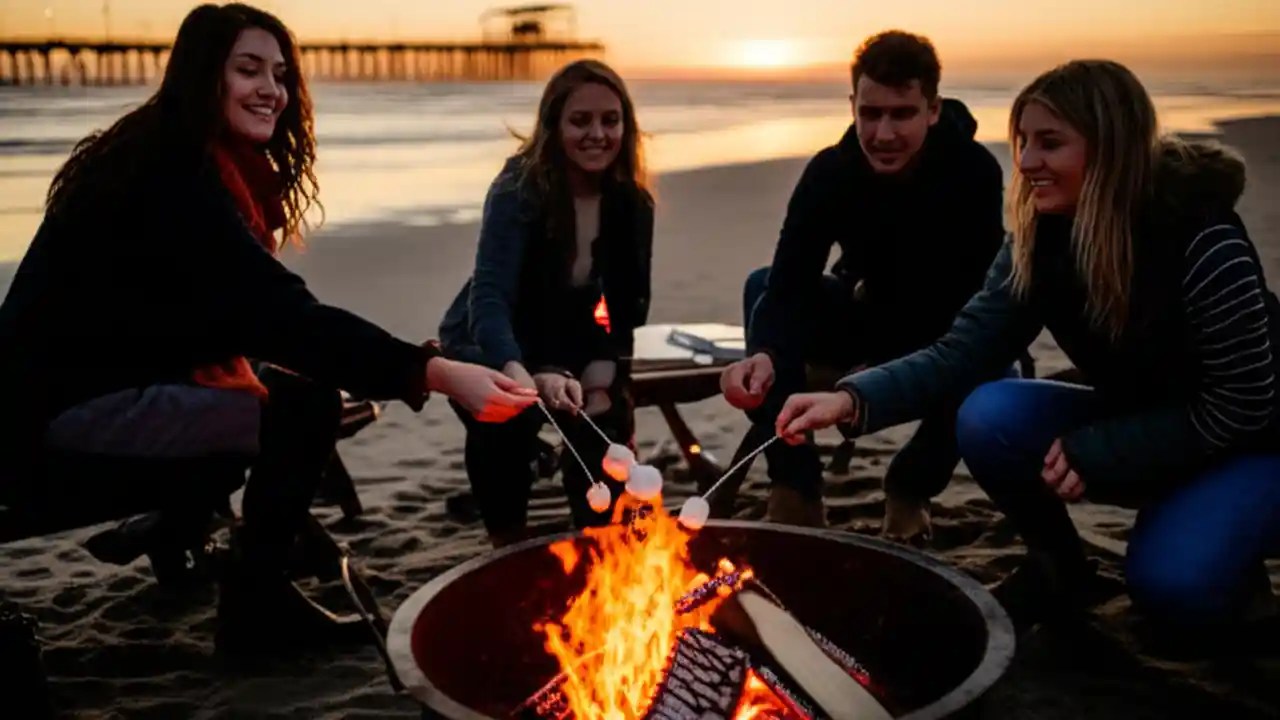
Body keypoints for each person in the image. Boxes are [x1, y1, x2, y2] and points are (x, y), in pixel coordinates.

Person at [0, 3, 534, 652]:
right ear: (202, 75)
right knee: (301, 408)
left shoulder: (176, 154)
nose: (272, 90)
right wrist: (436, 372)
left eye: (281, 74)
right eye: (248, 69)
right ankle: (255, 606)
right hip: (60, 413)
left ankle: (184, 531)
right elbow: (276, 314)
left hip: (102, 377)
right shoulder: (174, 179)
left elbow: (228, 313)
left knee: (282, 385)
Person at [776, 59, 1280, 636]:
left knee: (1175, 590)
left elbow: (1243, 406)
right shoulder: (1041, 238)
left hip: (1253, 444)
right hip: (1152, 425)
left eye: (1050, 144)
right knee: (992, 413)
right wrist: (850, 400)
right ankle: (1059, 567)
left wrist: (1103, 448)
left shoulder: (1204, 240)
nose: (1027, 162)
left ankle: (1225, 545)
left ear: (1110, 147)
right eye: (1022, 142)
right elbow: (962, 351)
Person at [718, 30, 1006, 533]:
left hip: (944, 328)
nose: (883, 133)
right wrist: (765, 352)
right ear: (852, 104)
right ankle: (795, 486)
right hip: (864, 314)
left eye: (902, 113)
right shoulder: (831, 171)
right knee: (759, 287)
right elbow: (789, 280)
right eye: (870, 113)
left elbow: (980, 302)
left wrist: (884, 361)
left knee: (997, 363)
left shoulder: (974, 172)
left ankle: (910, 488)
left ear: (933, 110)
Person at [439, 59, 654, 548]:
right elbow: (489, 296)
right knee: (503, 415)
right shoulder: (519, 188)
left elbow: (627, 305)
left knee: (604, 424)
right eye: (581, 120)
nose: (597, 133)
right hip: (488, 333)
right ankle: (507, 541)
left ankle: (598, 544)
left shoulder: (632, 203)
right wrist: (521, 371)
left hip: (566, 335)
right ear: (554, 125)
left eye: (610, 120)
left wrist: (602, 366)